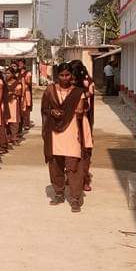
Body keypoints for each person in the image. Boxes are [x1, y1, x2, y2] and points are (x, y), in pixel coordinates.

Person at [41, 63, 87, 212]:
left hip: (72, 131)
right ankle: (59, 193)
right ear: (57, 75)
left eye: (67, 75)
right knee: (55, 165)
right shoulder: (49, 91)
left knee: (73, 166)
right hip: (54, 133)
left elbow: (81, 108)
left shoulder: (78, 92)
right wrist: (52, 112)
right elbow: (44, 109)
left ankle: (75, 198)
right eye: (62, 75)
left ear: (71, 76)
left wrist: (80, 110)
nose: (65, 78)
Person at [69, 60, 96, 192]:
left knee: (84, 151)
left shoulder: (87, 84)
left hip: (82, 120)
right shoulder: (65, 84)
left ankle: (84, 178)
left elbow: (88, 100)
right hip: (68, 121)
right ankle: (71, 176)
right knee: (69, 150)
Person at [17, 59, 33, 132]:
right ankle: (22, 123)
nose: (20, 65)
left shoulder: (28, 73)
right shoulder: (17, 73)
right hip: (19, 91)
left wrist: (24, 80)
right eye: (19, 63)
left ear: (24, 64)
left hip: (26, 91)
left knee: (26, 107)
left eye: (21, 63)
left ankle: (27, 123)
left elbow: (29, 83)